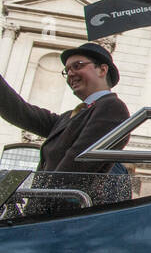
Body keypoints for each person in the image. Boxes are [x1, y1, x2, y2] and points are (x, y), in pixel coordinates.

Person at [0, 42, 131, 174]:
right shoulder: (69, 116)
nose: (70, 74)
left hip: (65, 194)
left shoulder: (111, 107)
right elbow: (20, 112)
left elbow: (76, 167)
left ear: (102, 70)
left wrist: (47, 194)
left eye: (77, 66)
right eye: (67, 70)